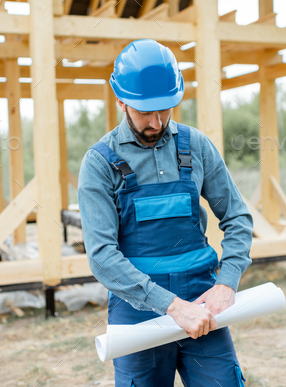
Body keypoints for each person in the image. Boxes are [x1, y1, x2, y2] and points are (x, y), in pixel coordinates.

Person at [78, 39, 253, 387]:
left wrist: (227, 282)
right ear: (121, 100)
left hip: (203, 298)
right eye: (145, 111)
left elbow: (237, 217)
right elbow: (101, 256)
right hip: (138, 307)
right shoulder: (99, 163)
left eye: (166, 109)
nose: (156, 122)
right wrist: (172, 306)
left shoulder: (197, 145)